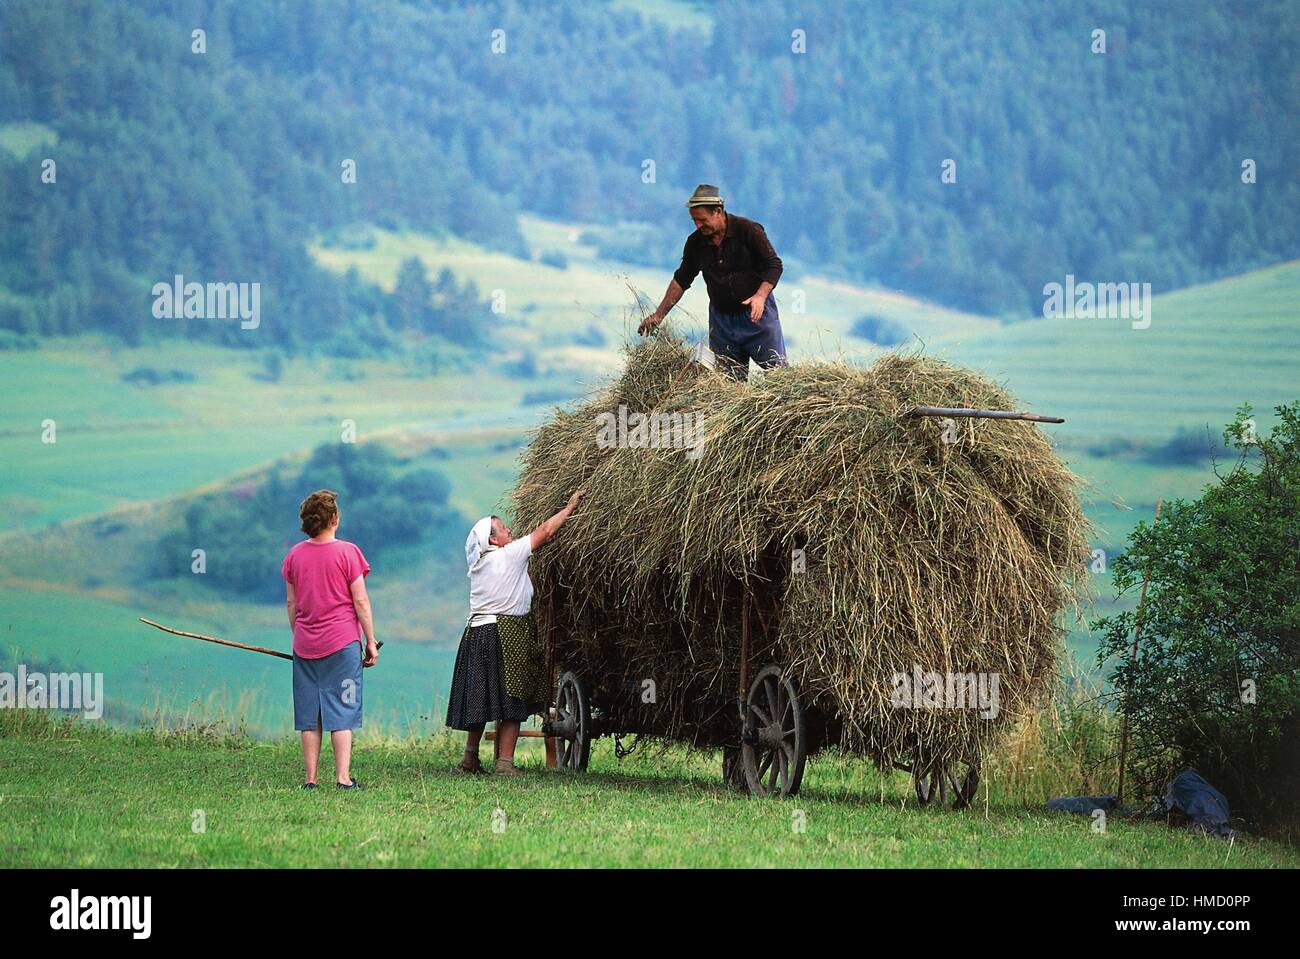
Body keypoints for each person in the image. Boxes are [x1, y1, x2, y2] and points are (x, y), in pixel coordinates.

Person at [446, 490, 584, 775]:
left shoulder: (479, 565)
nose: (509, 530)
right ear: (493, 540)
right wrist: (569, 507)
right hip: (506, 632)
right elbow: (545, 531)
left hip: (476, 633)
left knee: (479, 697)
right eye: (503, 528)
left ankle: (469, 759)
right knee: (513, 696)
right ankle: (505, 764)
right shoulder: (508, 556)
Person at [637, 183, 787, 381]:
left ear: (718, 211)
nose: (698, 225)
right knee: (727, 385)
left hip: (756, 316)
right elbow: (682, 279)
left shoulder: (748, 230)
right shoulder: (695, 243)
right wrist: (658, 316)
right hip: (722, 323)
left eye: (702, 220)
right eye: (694, 221)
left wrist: (760, 297)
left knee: (778, 375)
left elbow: (774, 265)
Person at [281, 489, 379, 790]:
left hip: (305, 646)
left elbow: (291, 605)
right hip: (342, 644)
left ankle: (310, 779)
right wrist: (371, 641)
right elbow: (360, 601)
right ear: (334, 518)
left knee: (310, 713)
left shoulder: (294, 555)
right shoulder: (348, 553)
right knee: (342, 711)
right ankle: (343, 778)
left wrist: (300, 637)